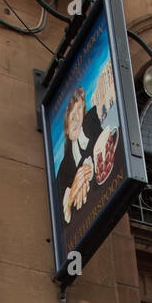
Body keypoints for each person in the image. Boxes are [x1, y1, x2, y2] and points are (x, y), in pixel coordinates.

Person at [56, 85, 103, 225]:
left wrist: (90, 167)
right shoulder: (63, 171)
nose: (77, 120)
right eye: (72, 118)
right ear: (66, 129)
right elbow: (61, 222)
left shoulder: (93, 123)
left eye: (79, 109)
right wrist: (70, 198)